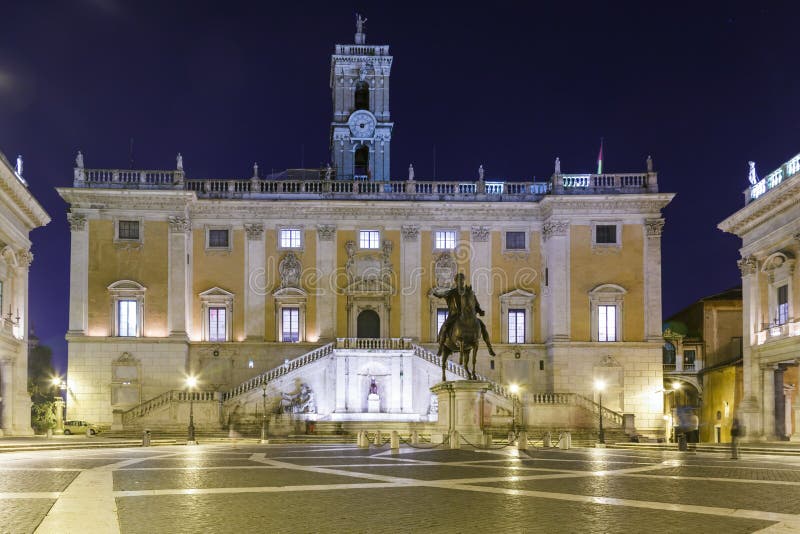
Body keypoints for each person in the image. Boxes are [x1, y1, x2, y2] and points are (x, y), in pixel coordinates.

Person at [433, 273, 495, 357]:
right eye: (459, 280)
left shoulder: (470, 293)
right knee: (445, 327)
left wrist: (480, 311)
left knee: (482, 326)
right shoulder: (452, 292)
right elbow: (442, 295)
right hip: (454, 316)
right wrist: (436, 293)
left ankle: (489, 346)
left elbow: (476, 304)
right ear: (456, 282)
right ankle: (440, 347)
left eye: (462, 280)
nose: (461, 281)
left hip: (469, 316)